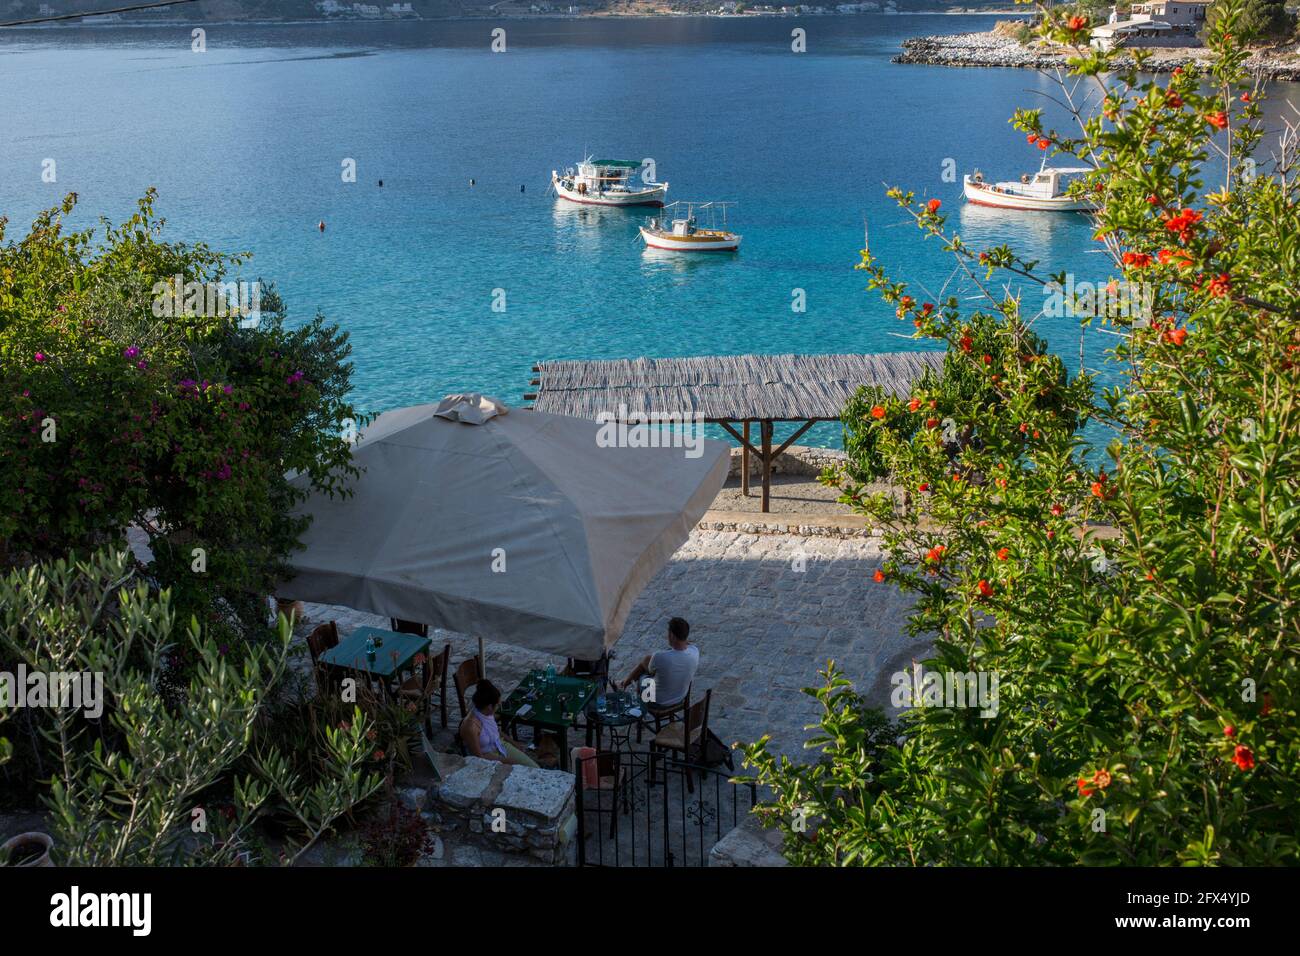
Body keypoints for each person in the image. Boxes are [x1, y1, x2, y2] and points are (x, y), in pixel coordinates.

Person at [619, 617, 698, 712]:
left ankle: (626, 686)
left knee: (643, 675)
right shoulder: (695, 651)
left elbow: (650, 671)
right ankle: (624, 683)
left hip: (657, 702)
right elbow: (687, 645)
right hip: (680, 697)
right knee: (649, 662)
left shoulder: (660, 656)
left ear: (672, 635)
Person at [459, 680, 537, 767]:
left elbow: (497, 731)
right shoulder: (471, 727)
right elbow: (479, 758)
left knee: (535, 768)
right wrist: (506, 761)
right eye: (497, 705)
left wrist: (515, 743)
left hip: (500, 745)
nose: (499, 706)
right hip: (487, 757)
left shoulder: (486, 711)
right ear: (489, 706)